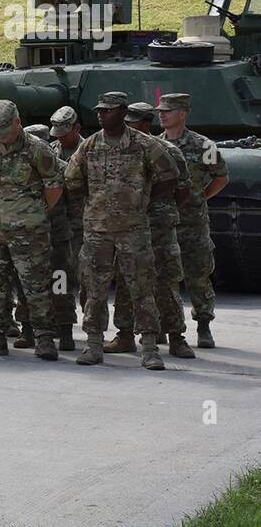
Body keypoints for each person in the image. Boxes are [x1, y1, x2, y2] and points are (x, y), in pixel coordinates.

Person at [64, 91, 178, 369]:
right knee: (94, 289)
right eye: (100, 110)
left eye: (109, 110)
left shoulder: (143, 144)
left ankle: (149, 348)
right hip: (97, 231)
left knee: (142, 288)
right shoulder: (89, 146)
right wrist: (94, 205)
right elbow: (72, 181)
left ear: (123, 112)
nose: (102, 114)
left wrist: (143, 200)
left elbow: (170, 175)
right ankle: (93, 345)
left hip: (133, 229)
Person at [0, 102, 63, 359]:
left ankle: (44, 338)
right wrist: (6, 206)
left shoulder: (37, 149)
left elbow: (53, 187)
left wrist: (33, 211)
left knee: (36, 286)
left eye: (5, 130)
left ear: (17, 122)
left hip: (31, 230)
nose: (2, 136)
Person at [107, 102, 192, 358]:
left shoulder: (168, 151)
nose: (129, 125)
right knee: (125, 281)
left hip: (159, 228)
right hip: (128, 228)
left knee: (166, 282)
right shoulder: (118, 150)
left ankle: (176, 336)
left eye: (133, 121)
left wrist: (160, 211)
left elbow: (183, 189)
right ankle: (124, 334)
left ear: (146, 124)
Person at [157, 93, 229, 349]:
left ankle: (204, 325)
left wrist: (200, 198)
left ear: (182, 114)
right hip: (165, 224)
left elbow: (220, 177)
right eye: (160, 111)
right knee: (165, 277)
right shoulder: (156, 146)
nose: (162, 114)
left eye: (168, 110)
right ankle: (166, 326)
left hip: (193, 225)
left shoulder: (204, 146)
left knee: (198, 276)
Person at [48, 106, 84, 348]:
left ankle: (94, 330)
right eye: (56, 132)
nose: (59, 136)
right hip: (59, 228)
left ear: (77, 128)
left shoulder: (91, 150)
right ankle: (64, 327)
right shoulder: (50, 151)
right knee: (60, 278)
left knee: (89, 281)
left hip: (86, 227)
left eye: (64, 132)